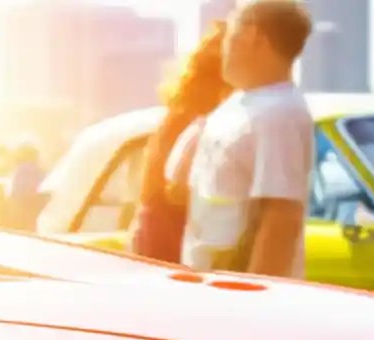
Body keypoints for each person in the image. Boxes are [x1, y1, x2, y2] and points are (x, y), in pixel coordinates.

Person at [182, 0, 314, 278]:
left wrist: (253, 302)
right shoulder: (239, 102)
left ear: (253, 37)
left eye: (230, 35)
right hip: (207, 285)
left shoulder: (281, 113)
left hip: (236, 296)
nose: (224, 49)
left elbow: (281, 217)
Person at [130, 22, 231, 263]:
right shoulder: (204, 121)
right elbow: (178, 191)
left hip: (159, 231)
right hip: (174, 236)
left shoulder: (180, 114)